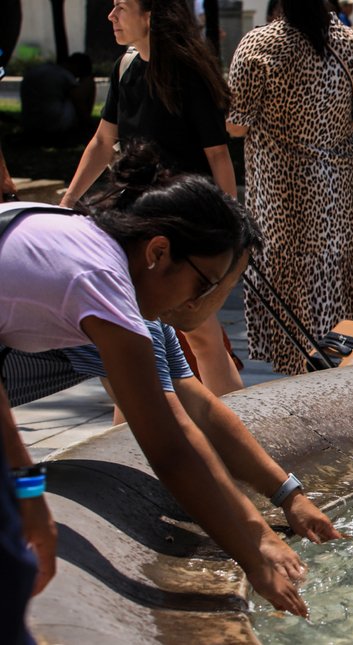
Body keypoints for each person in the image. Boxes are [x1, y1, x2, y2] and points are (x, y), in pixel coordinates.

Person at [1, 145, 310, 617]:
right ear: (158, 252)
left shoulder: (84, 243)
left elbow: (192, 409)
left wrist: (276, 507)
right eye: (204, 284)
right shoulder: (101, 286)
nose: (198, 304)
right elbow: (169, 449)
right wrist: (254, 562)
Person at [60, 0, 244, 396]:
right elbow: (103, 142)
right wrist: (70, 199)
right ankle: (130, 428)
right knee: (129, 335)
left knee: (201, 336)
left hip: (183, 223)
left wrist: (229, 226)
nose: (111, 16)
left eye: (121, 7)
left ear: (150, 16)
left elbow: (218, 155)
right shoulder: (126, 67)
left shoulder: (188, 72)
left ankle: (241, 422)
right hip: (134, 222)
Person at [226, 0, 353, 375]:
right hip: (337, 188)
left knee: (290, 282)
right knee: (335, 274)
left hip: (280, 188)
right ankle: (342, 357)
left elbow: (236, 124)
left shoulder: (259, 44)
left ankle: (299, 367)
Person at [19, 53, 96, 143]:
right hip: (54, 126)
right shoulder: (64, 75)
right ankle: (86, 126)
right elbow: (78, 99)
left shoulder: (35, 71)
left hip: (29, 124)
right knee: (88, 81)